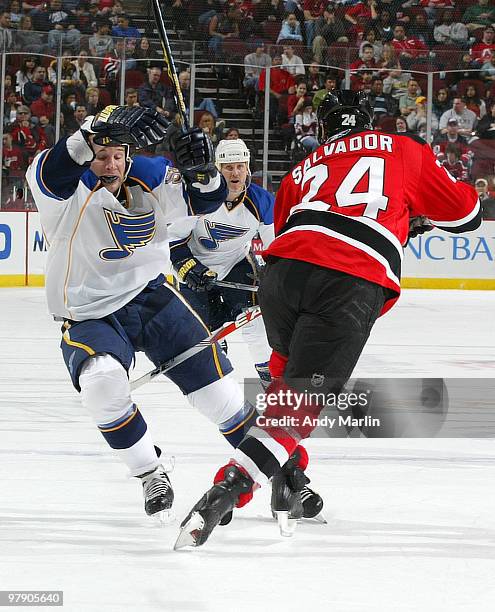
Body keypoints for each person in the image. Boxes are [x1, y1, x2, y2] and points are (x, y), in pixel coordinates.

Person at [175, 90, 482, 549]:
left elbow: (290, 230)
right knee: (297, 406)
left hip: (282, 280)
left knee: (283, 394)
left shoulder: (304, 167)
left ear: (322, 130)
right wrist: (415, 212)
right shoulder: (400, 147)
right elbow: (468, 216)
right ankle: (227, 488)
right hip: (347, 280)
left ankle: (287, 482)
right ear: (369, 121)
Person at [24, 105, 261, 523]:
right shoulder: (63, 185)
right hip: (90, 314)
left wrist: (202, 168)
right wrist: (93, 129)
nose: (109, 164)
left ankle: (283, 471)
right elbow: (52, 170)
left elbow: (205, 200)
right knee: (101, 385)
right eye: (100, 154)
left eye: (117, 154)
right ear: (87, 151)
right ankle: (151, 470)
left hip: (152, 299)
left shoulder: (150, 174)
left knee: (219, 397)